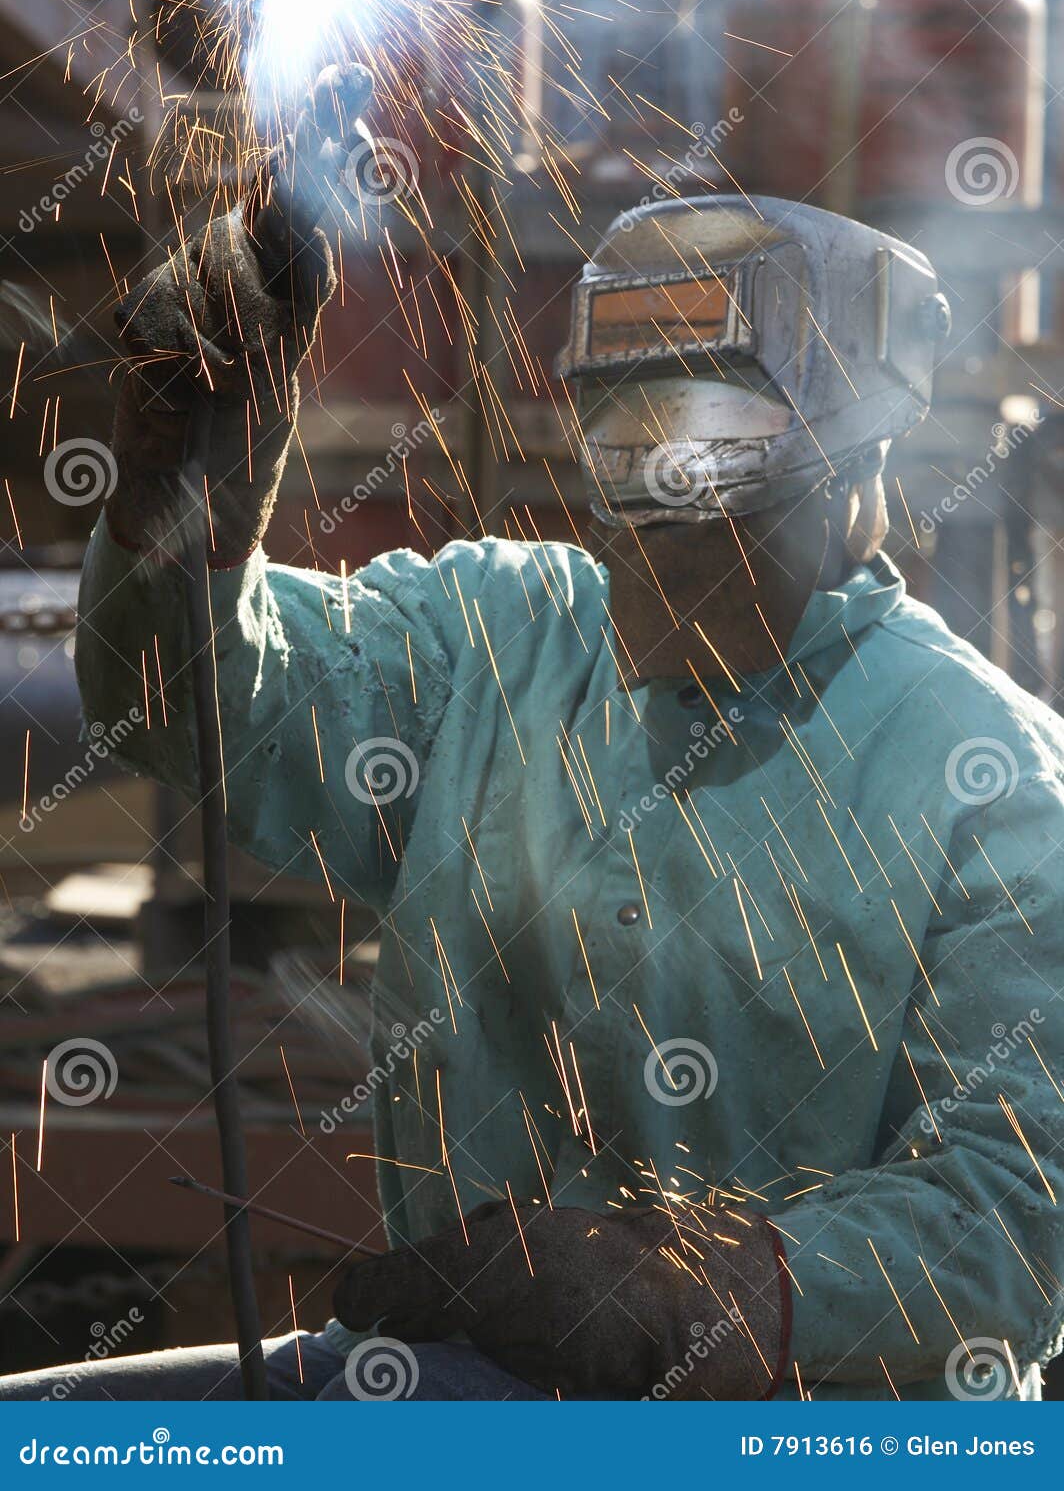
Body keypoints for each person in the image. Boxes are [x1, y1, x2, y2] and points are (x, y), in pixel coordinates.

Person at [6, 170, 1063, 1403]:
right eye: (623, 467)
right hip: (460, 1387)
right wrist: (176, 505)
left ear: (853, 462)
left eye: (709, 480)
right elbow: (198, 714)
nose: (645, 533)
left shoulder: (996, 784)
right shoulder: (497, 639)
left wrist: (692, 1296)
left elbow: (1010, 1215)